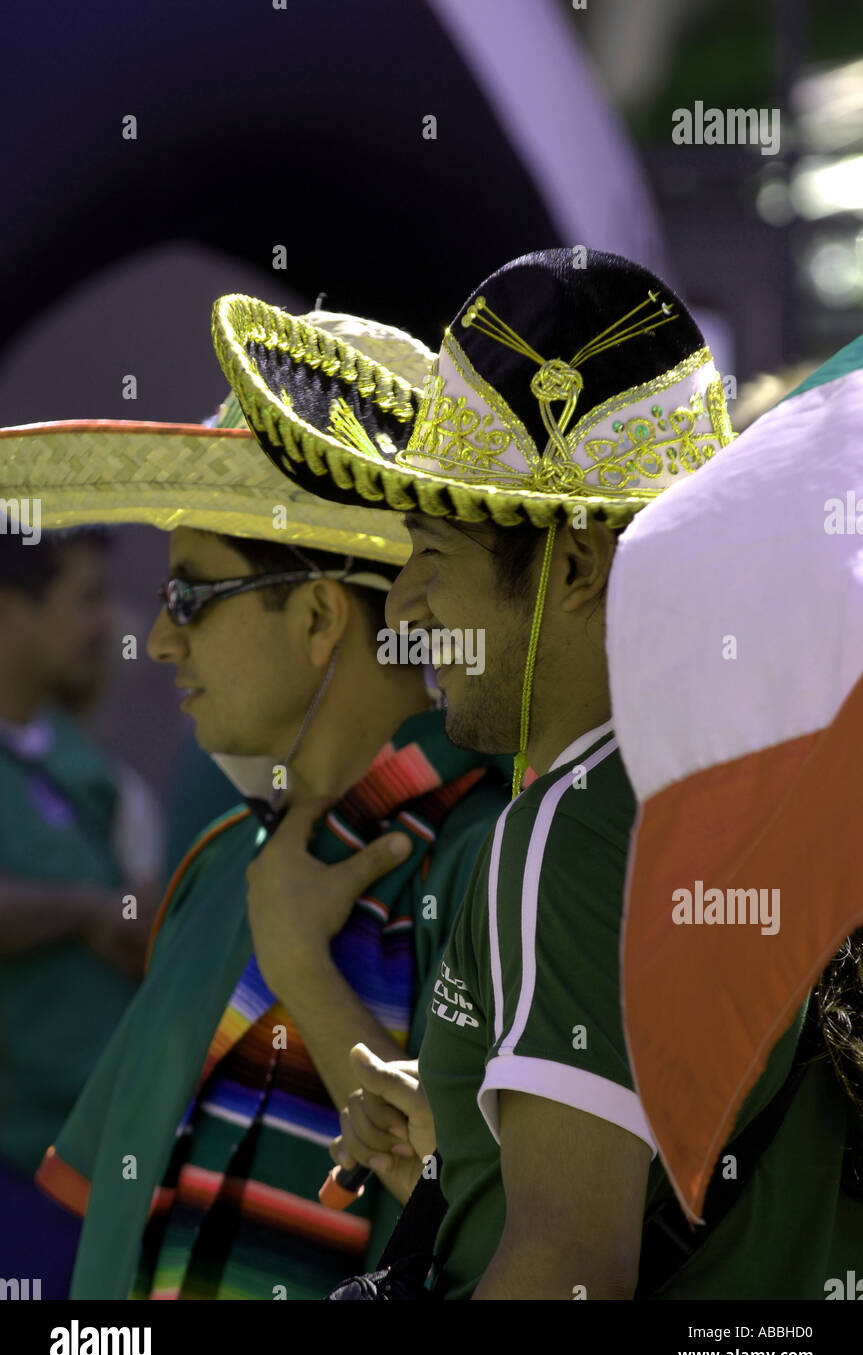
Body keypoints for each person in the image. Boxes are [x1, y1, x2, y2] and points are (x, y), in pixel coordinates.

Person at [214, 248, 862, 1300]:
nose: (408, 603)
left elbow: (568, 1271)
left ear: (570, 566)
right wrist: (474, 1139)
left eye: (433, 553)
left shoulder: (569, 822)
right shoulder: (785, 778)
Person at [24, 312, 510, 1300]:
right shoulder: (218, 868)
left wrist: (302, 970)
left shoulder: (489, 860)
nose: (160, 642)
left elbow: (496, 1228)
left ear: (321, 615)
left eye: (191, 595)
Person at [0, 524, 159, 1297]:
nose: (108, 622)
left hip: (93, 1163)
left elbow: (135, 913)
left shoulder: (81, 761)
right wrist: (88, 911)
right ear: (10, 607)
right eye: (85, 598)